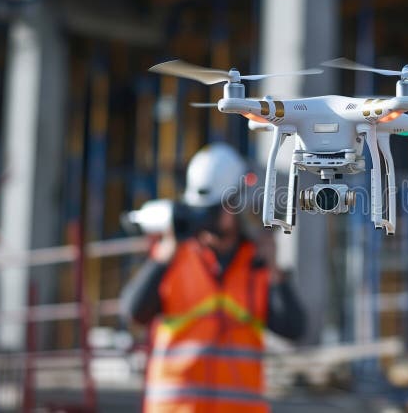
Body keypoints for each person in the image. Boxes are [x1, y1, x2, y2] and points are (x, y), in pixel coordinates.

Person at [121, 143, 306, 413]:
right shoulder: (174, 257)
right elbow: (134, 312)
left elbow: (293, 328)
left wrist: (274, 269)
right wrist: (164, 254)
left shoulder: (255, 262)